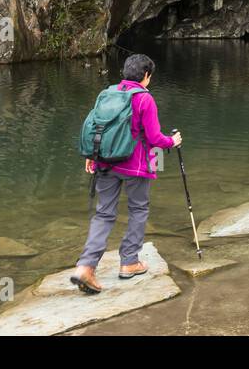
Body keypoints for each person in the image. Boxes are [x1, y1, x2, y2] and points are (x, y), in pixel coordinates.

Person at [71, 53, 181, 295]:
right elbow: (154, 138)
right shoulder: (145, 99)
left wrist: (92, 154)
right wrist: (172, 141)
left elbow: (95, 127)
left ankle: (86, 266)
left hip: (106, 162)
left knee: (104, 214)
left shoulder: (107, 93)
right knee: (138, 209)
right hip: (136, 165)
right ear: (146, 75)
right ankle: (129, 262)